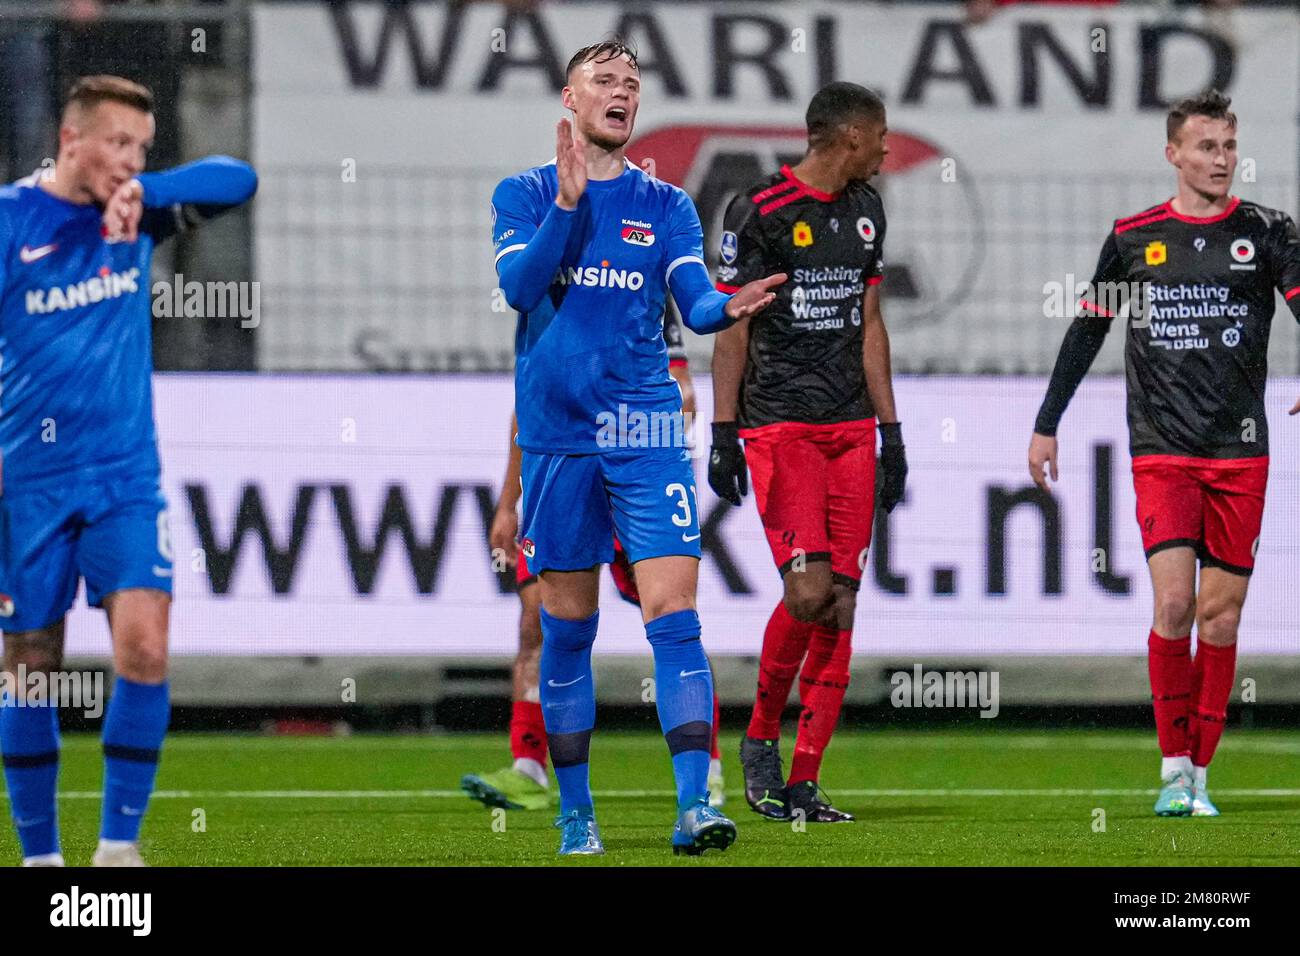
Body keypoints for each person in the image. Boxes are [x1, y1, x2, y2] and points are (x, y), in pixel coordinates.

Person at [490, 38, 783, 856]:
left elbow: (693, 302)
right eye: (605, 81)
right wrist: (566, 207)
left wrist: (729, 306)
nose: (622, 92)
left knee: (673, 613)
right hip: (558, 440)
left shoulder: (666, 206)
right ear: (570, 99)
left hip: (646, 427)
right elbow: (519, 288)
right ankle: (577, 816)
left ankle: (695, 807)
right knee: (568, 630)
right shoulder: (523, 194)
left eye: (632, 83)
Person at [0, 75, 257, 866]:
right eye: (116, 144)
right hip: (26, 486)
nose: (128, 160)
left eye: (141, 148)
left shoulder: (138, 210)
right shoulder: (11, 221)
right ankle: (42, 859)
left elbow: (237, 179)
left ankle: (118, 848)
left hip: (123, 479)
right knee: (29, 667)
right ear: (69, 139)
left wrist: (147, 185)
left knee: (144, 647)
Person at [1028, 89, 1300, 818]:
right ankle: (1173, 766)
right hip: (1163, 448)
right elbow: (1087, 330)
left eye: (1229, 146)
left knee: (1222, 617)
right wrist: (1046, 421)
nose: (1221, 160)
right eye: (1206, 147)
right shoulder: (1135, 236)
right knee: (1175, 602)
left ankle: (1201, 774)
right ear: (1173, 153)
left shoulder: (1269, 233)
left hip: (1240, 453)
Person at [709, 82, 906, 823]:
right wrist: (724, 433)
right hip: (780, 428)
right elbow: (732, 327)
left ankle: (804, 780)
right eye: (880, 136)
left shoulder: (867, 212)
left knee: (844, 603)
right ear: (848, 137)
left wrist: (892, 431)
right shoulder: (758, 211)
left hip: (851, 428)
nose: (888, 149)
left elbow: (871, 324)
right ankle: (759, 739)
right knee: (808, 594)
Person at [463, 335, 728, 811]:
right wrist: (507, 503)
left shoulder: (641, 275)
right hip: (561, 474)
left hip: (631, 473)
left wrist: (649, 456)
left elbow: (683, 389)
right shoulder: (544, 283)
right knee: (536, 621)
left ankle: (704, 768)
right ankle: (529, 767)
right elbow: (529, 402)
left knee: (673, 618)